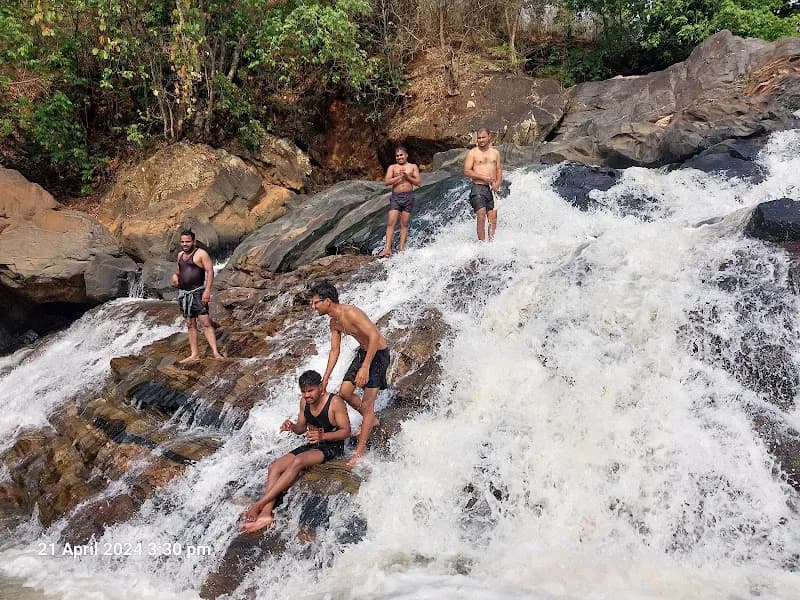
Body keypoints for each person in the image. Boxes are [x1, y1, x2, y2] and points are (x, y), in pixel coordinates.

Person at [240, 370, 351, 532]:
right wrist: (291, 426)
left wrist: (323, 435)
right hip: (313, 443)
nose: (307, 395)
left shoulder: (335, 402)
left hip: (332, 445)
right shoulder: (304, 402)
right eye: (304, 392)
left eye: (310, 390)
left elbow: (346, 431)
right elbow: (301, 428)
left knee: (298, 461)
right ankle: (265, 514)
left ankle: (260, 504)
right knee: (274, 466)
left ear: (320, 387)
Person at [309, 280, 389, 467]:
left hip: (377, 354)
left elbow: (374, 336)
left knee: (368, 404)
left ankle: (359, 452)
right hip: (363, 352)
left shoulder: (351, 312)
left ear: (327, 301)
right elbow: (334, 351)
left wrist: (365, 367)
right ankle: (371, 420)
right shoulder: (334, 323)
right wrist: (325, 379)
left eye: (315, 303)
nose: (313, 307)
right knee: (344, 392)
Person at [170, 229, 224, 363]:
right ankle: (194, 354)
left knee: (205, 322)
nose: (185, 244)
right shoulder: (180, 255)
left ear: (193, 241)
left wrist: (207, 291)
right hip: (184, 294)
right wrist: (175, 276)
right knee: (190, 324)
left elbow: (210, 271)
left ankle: (215, 352)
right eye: (182, 242)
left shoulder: (201, 254)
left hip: (198, 292)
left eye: (187, 241)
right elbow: (179, 270)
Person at [379, 145, 421, 257]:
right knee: (391, 222)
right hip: (396, 197)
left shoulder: (413, 166)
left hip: (408, 197)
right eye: (397, 156)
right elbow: (387, 182)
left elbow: (418, 182)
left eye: (401, 155)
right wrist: (399, 177)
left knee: (404, 224)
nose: (399, 157)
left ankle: (402, 249)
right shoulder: (392, 167)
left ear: (406, 155)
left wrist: (407, 177)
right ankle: (387, 249)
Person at [463, 127, 503, 241]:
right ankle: (481, 244)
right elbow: (467, 171)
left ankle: (491, 243)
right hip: (478, 188)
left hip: (492, 188)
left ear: (489, 137)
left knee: (493, 218)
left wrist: (498, 183)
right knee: (481, 215)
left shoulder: (495, 153)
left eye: (483, 137)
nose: (481, 140)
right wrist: (484, 178)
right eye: (479, 138)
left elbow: (499, 169)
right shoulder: (473, 153)